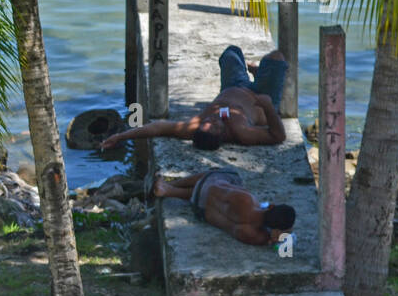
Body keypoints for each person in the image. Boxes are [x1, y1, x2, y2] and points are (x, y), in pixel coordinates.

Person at [100, 46, 289, 150]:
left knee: (231, 52)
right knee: (277, 56)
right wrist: (268, 107)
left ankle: (255, 72)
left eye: (207, 122)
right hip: (259, 95)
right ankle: (260, 75)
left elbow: (157, 127)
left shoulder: (196, 125)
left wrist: (120, 136)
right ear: (223, 135)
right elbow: (278, 136)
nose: (212, 119)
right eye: (216, 125)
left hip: (233, 86)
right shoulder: (242, 132)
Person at [152, 168, 295, 246]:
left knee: (222, 174)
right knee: (207, 195)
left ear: (271, 206)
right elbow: (269, 239)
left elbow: (215, 187)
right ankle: (169, 189)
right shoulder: (255, 235)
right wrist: (274, 236)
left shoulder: (249, 200)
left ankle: (171, 188)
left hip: (207, 188)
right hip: (202, 212)